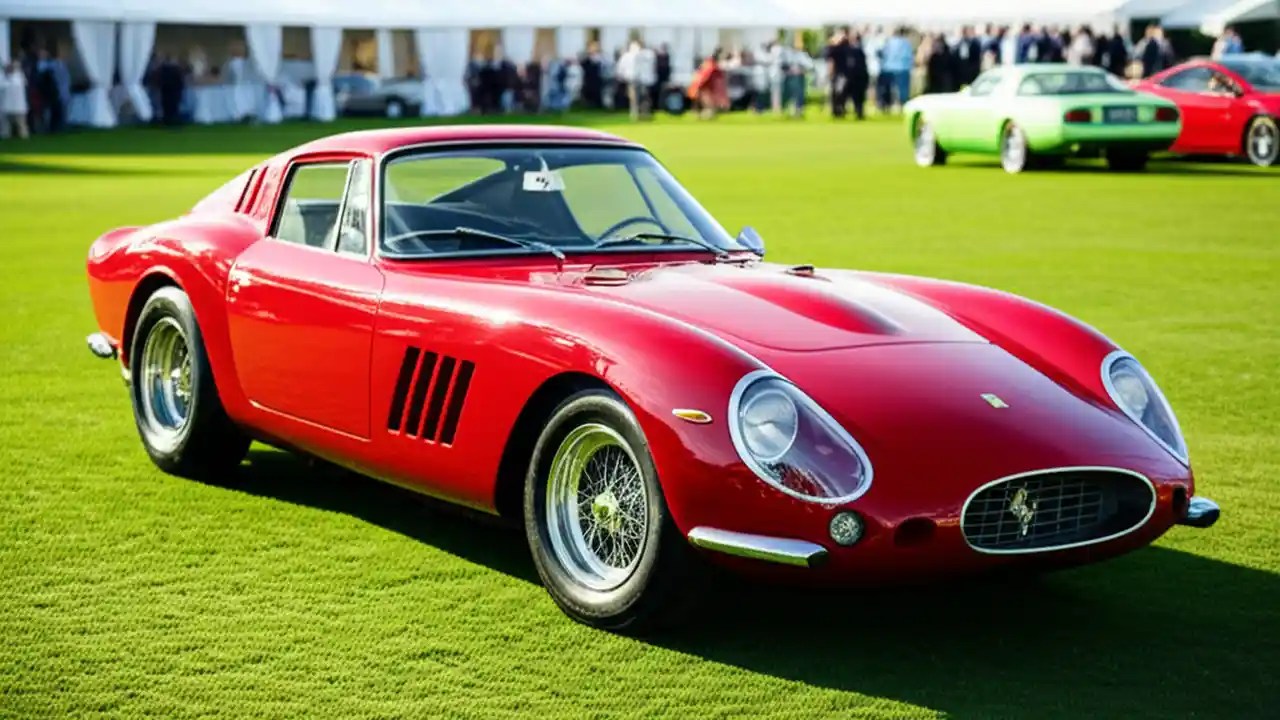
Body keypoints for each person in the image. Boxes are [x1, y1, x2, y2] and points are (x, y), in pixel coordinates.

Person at [687, 48, 727, 119]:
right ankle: (705, 115)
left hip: (702, 86)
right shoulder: (710, 65)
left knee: (704, 102)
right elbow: (704, 76)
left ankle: (703, 115)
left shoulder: (708, 64)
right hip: (701, 86)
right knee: (705, 102)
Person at [881, 27, 914, 111]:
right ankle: (903, 105)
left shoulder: (888, 42)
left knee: (887, 89)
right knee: (903, 89)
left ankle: (886, 105)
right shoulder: (906, 43)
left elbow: (883, 54)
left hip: (888, 68)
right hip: (902, 68)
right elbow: (909, 56)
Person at [780, 35, 812, 118]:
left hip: (799, 78)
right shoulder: (786, 54)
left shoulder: (802, 54)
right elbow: (782, 66)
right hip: (790, 78)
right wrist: (789, 70)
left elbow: (809, 66)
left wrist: (800, 70)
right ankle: (791, 111)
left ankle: (799, 111)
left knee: (799, 95)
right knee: (791, 95)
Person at [824, 27, 852, 118]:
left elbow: (830, 61)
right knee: (840, 93)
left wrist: (830, 73)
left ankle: (837, 110)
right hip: (842, 73)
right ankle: (839, 109)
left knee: (838, 93)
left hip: (839, 74)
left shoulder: (835, 49)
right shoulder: (845, 49)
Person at [1, 61, 30, 140]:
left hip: (18, 107)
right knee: (5, 127)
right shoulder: (3, 77)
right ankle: (5, 137)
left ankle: (24, 138)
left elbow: (16, 84)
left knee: (21, 125)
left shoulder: (19, 77)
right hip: (6, 107)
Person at [846, 33, 870, 119]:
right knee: (860, 96)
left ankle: (858, 111)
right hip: (860, 76)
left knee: (857, 96)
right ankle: (859, 111)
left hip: (856, 76)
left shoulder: (852, 50)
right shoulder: (861, 50)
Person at [652, 43, 671, 112]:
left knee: (662, 94)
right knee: (659, 93)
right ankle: (659, 106)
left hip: (661, 78)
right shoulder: (663, 57)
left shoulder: (663, 57)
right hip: (659, 79)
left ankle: (660, 106)